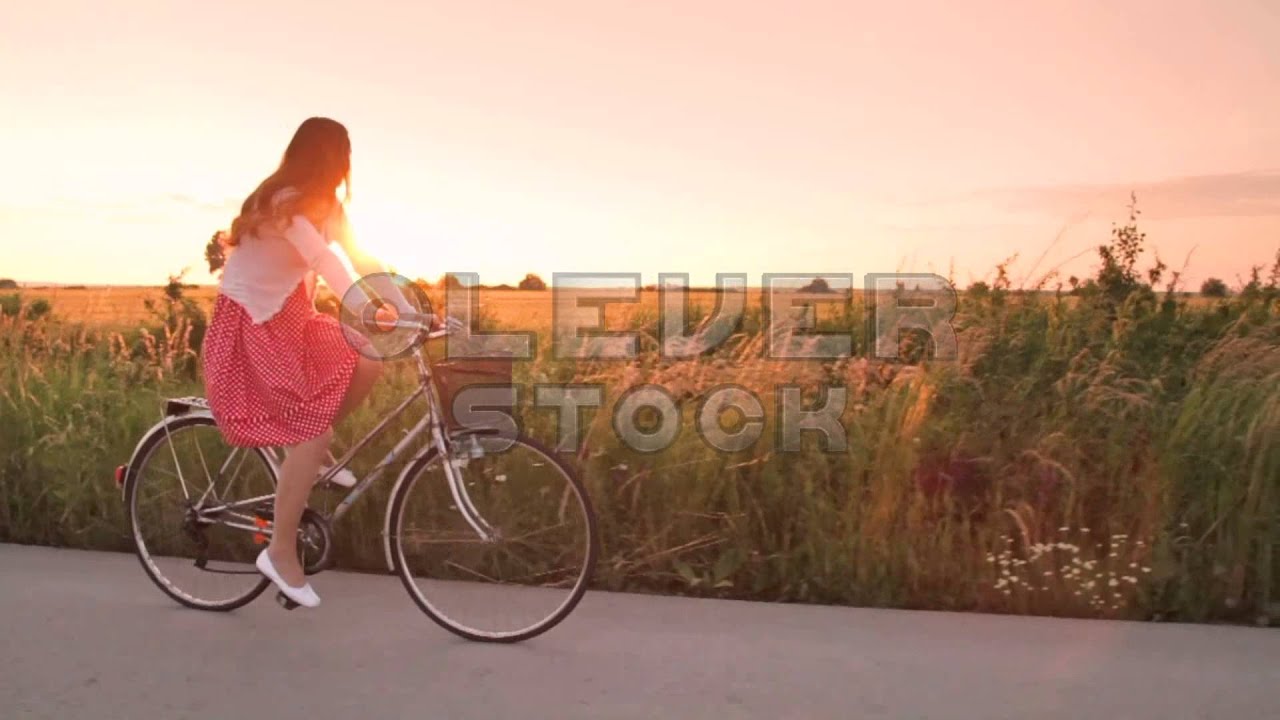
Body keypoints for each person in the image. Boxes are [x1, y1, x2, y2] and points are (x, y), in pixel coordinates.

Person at [203, 117, 414, 608]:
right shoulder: (283, 203)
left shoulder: (328, 207)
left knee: (367, 361)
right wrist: (367, 309)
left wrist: (408, 309)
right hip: (253, 325)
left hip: (292, 317)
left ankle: (310, 451)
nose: (345, 168)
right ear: (330, 159)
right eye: (342, 157)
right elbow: (325, 261)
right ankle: (279, 552)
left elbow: (361, 259)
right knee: (311, 427)